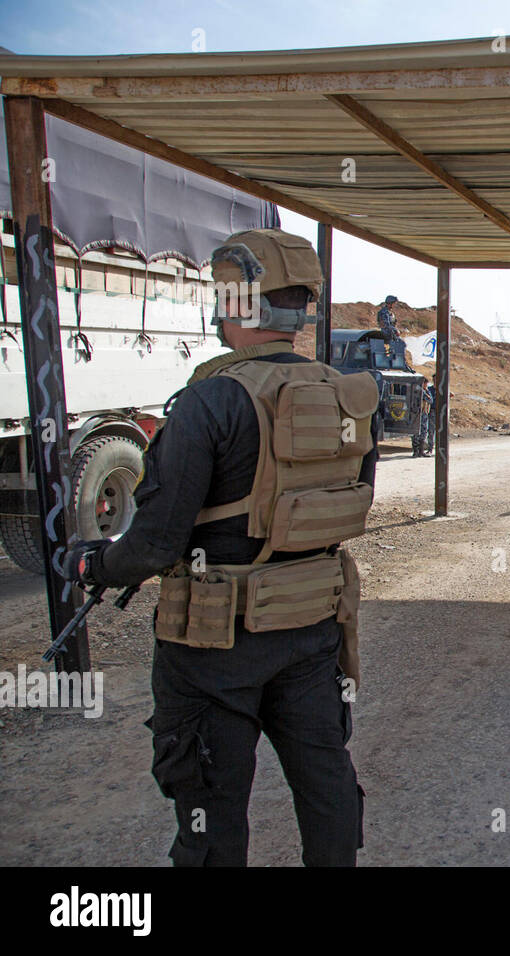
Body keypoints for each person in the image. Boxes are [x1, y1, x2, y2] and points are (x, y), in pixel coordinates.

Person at [65, 228, 380, 867]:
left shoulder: (210, 400)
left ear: (236, 304)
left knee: (212, 816)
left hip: (214, 646)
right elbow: (347, 505)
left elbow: (153, 545)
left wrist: (89, 561)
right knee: (326, 787)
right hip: (312, 628)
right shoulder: (346, 396)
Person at [412, 381, 435, 458]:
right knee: (415, 433)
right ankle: (415, 451)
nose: (426, 385)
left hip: (424, 414)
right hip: (416, 414)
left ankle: (421, 451)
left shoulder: (427, 391)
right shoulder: (417, 391)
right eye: (425, 383)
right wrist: (423, 392)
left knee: (424, 432)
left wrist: (426, 392)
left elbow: (430, 400)